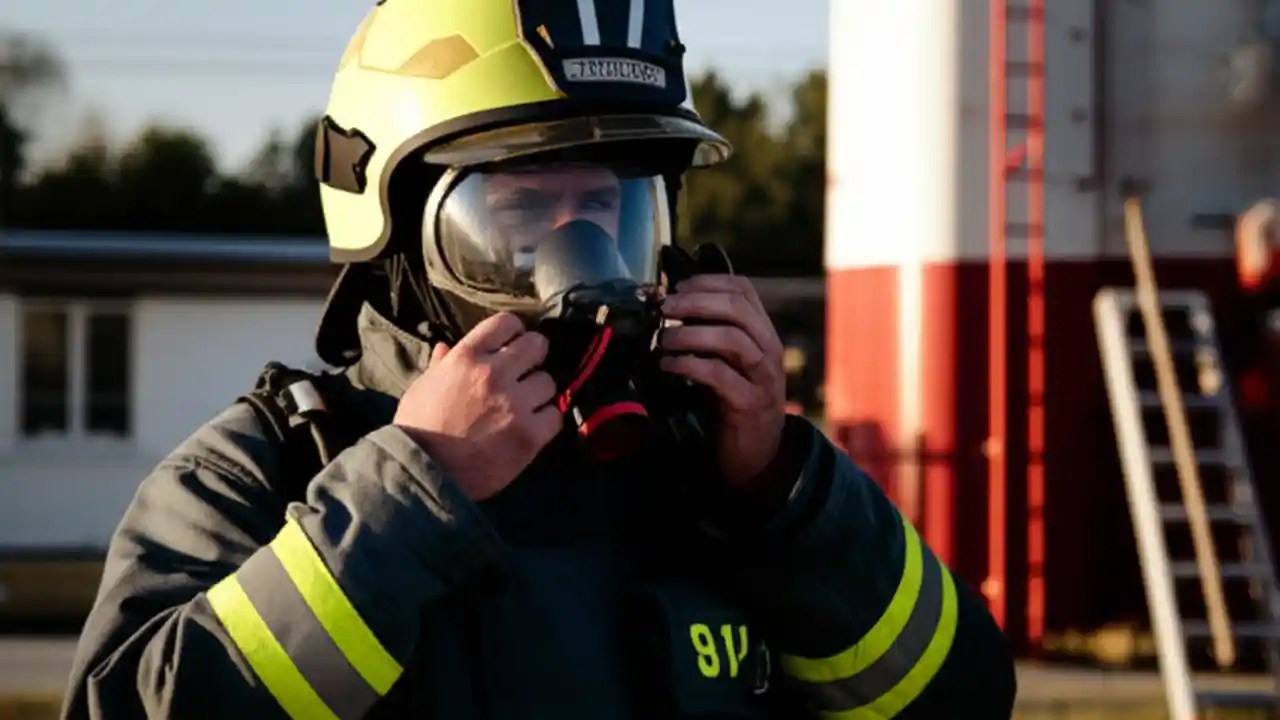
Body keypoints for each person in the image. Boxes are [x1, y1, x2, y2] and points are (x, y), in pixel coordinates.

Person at [60, 0, 1017, 718]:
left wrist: (784, 494)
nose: (581, 268)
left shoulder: (715, 475)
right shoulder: (264, 477)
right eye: (519, 215)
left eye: (606, 212)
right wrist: (406, 498)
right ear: (395, 235)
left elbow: (959, 701)